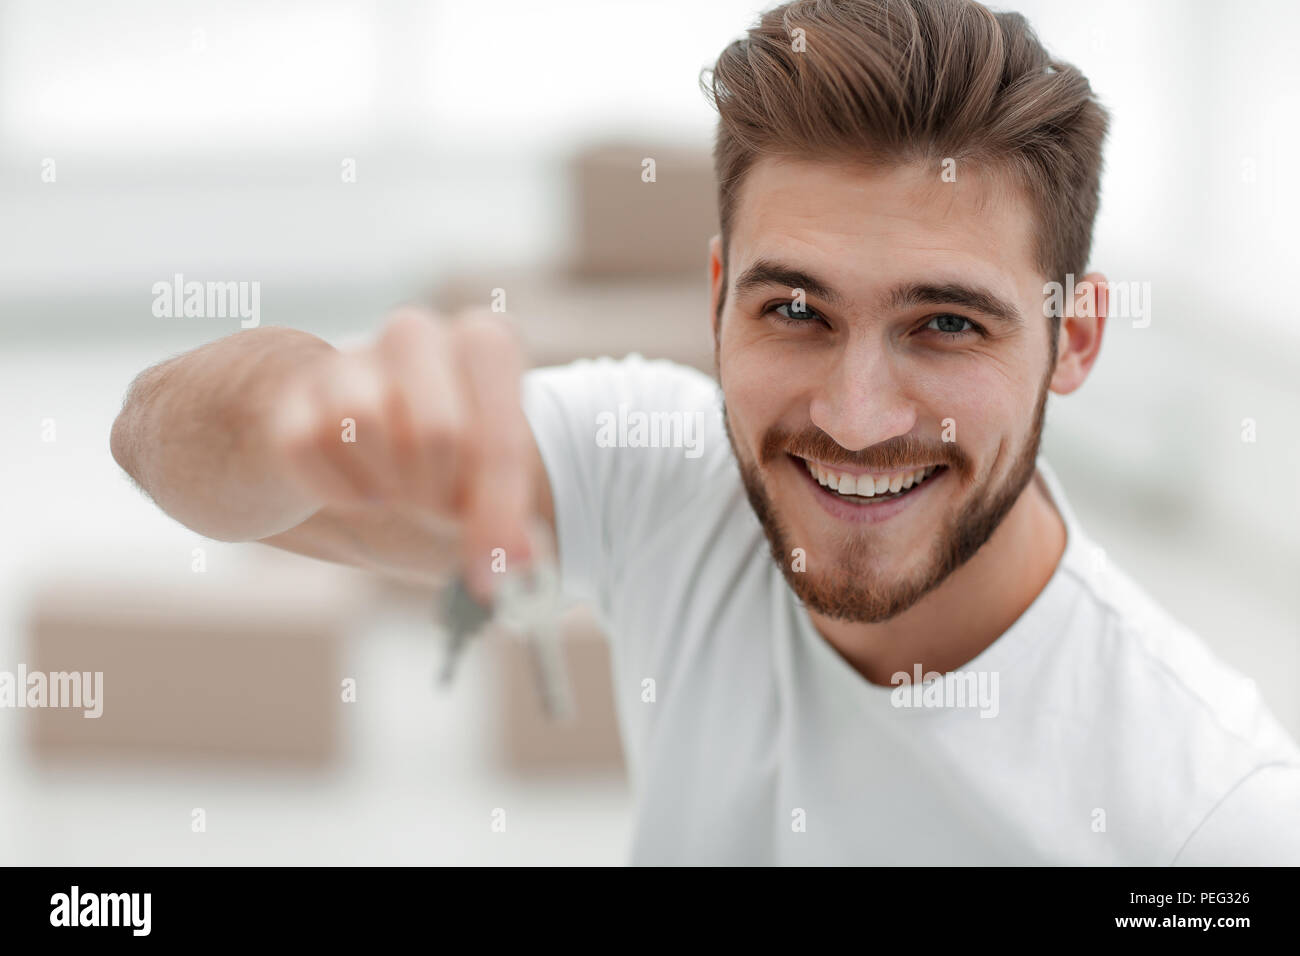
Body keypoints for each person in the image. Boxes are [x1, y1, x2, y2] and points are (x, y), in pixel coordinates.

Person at [110, 0, 1300, 864]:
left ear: (1073, 337)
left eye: (945, 323)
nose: (855, 416)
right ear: (719, 297)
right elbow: (151, 443)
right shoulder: (668, 473)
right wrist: (299, 416)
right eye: (795, 310)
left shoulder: (1206, 821)